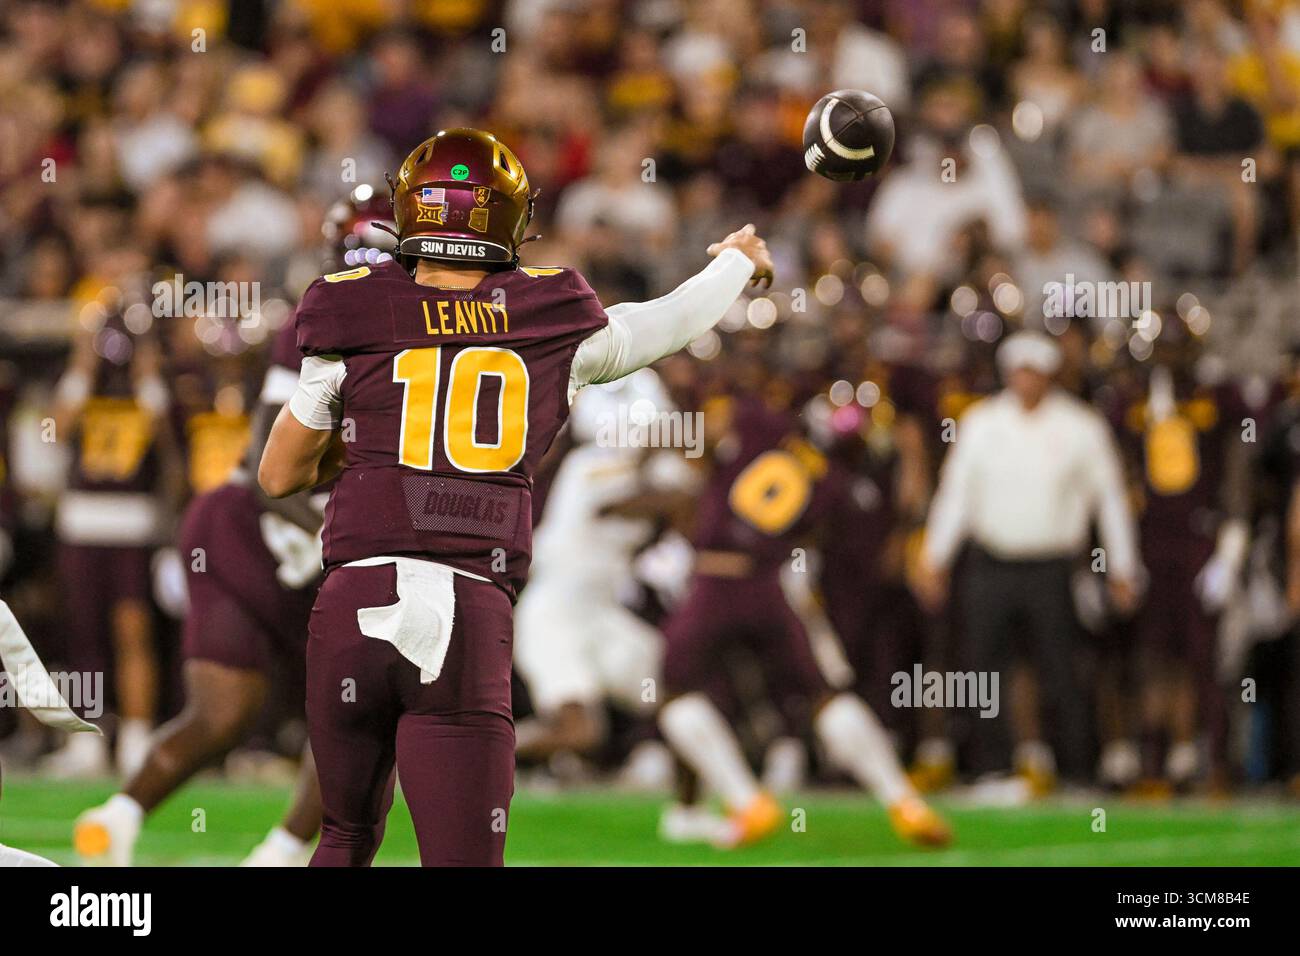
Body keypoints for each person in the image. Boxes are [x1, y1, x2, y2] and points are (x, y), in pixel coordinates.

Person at [257, 128, 773, 866]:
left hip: (352, 600)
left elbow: (278, 474)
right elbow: (664, 322)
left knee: (343, 836)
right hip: (465, 607)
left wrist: (374, 435)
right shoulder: (547, 316)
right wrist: (734, 264)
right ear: (507, 220)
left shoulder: (351, 307)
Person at [72, 188, 397, 867]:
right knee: (229, 711)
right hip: (256, 530)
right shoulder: (320, 322)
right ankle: (122, 816)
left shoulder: (426, 332)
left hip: (320, 541)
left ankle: (275, 854)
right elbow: (270, 467)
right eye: (362, 254)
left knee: (360, 710)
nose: (370, 269)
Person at [914, 331, 1140, 787]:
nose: (1026, 381)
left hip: (1051, 566)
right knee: (980, 667)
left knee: (1062, 669)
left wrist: (1122, 567)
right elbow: (956, 495)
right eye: (1019, 371)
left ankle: (1075, 769)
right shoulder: (981, 422)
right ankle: (991, 768)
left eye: (1034, 372)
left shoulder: (1080, 426)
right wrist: (934, 556)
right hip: (989, 562)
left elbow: (1110, 501)